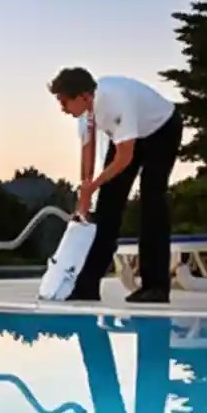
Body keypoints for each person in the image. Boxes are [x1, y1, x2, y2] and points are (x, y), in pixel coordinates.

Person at [49, 68, 183, 304]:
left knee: (152, 200)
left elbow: (125, 158)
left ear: (83, 97)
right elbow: (87, 153)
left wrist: (94, 185)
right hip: (130, 136)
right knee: (107, 206)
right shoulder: (85, 114)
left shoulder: (114, 102)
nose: (62, 108)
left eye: (64, 101)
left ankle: (156, 287)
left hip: (162, 128)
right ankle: (88, 285)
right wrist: (85, 196)